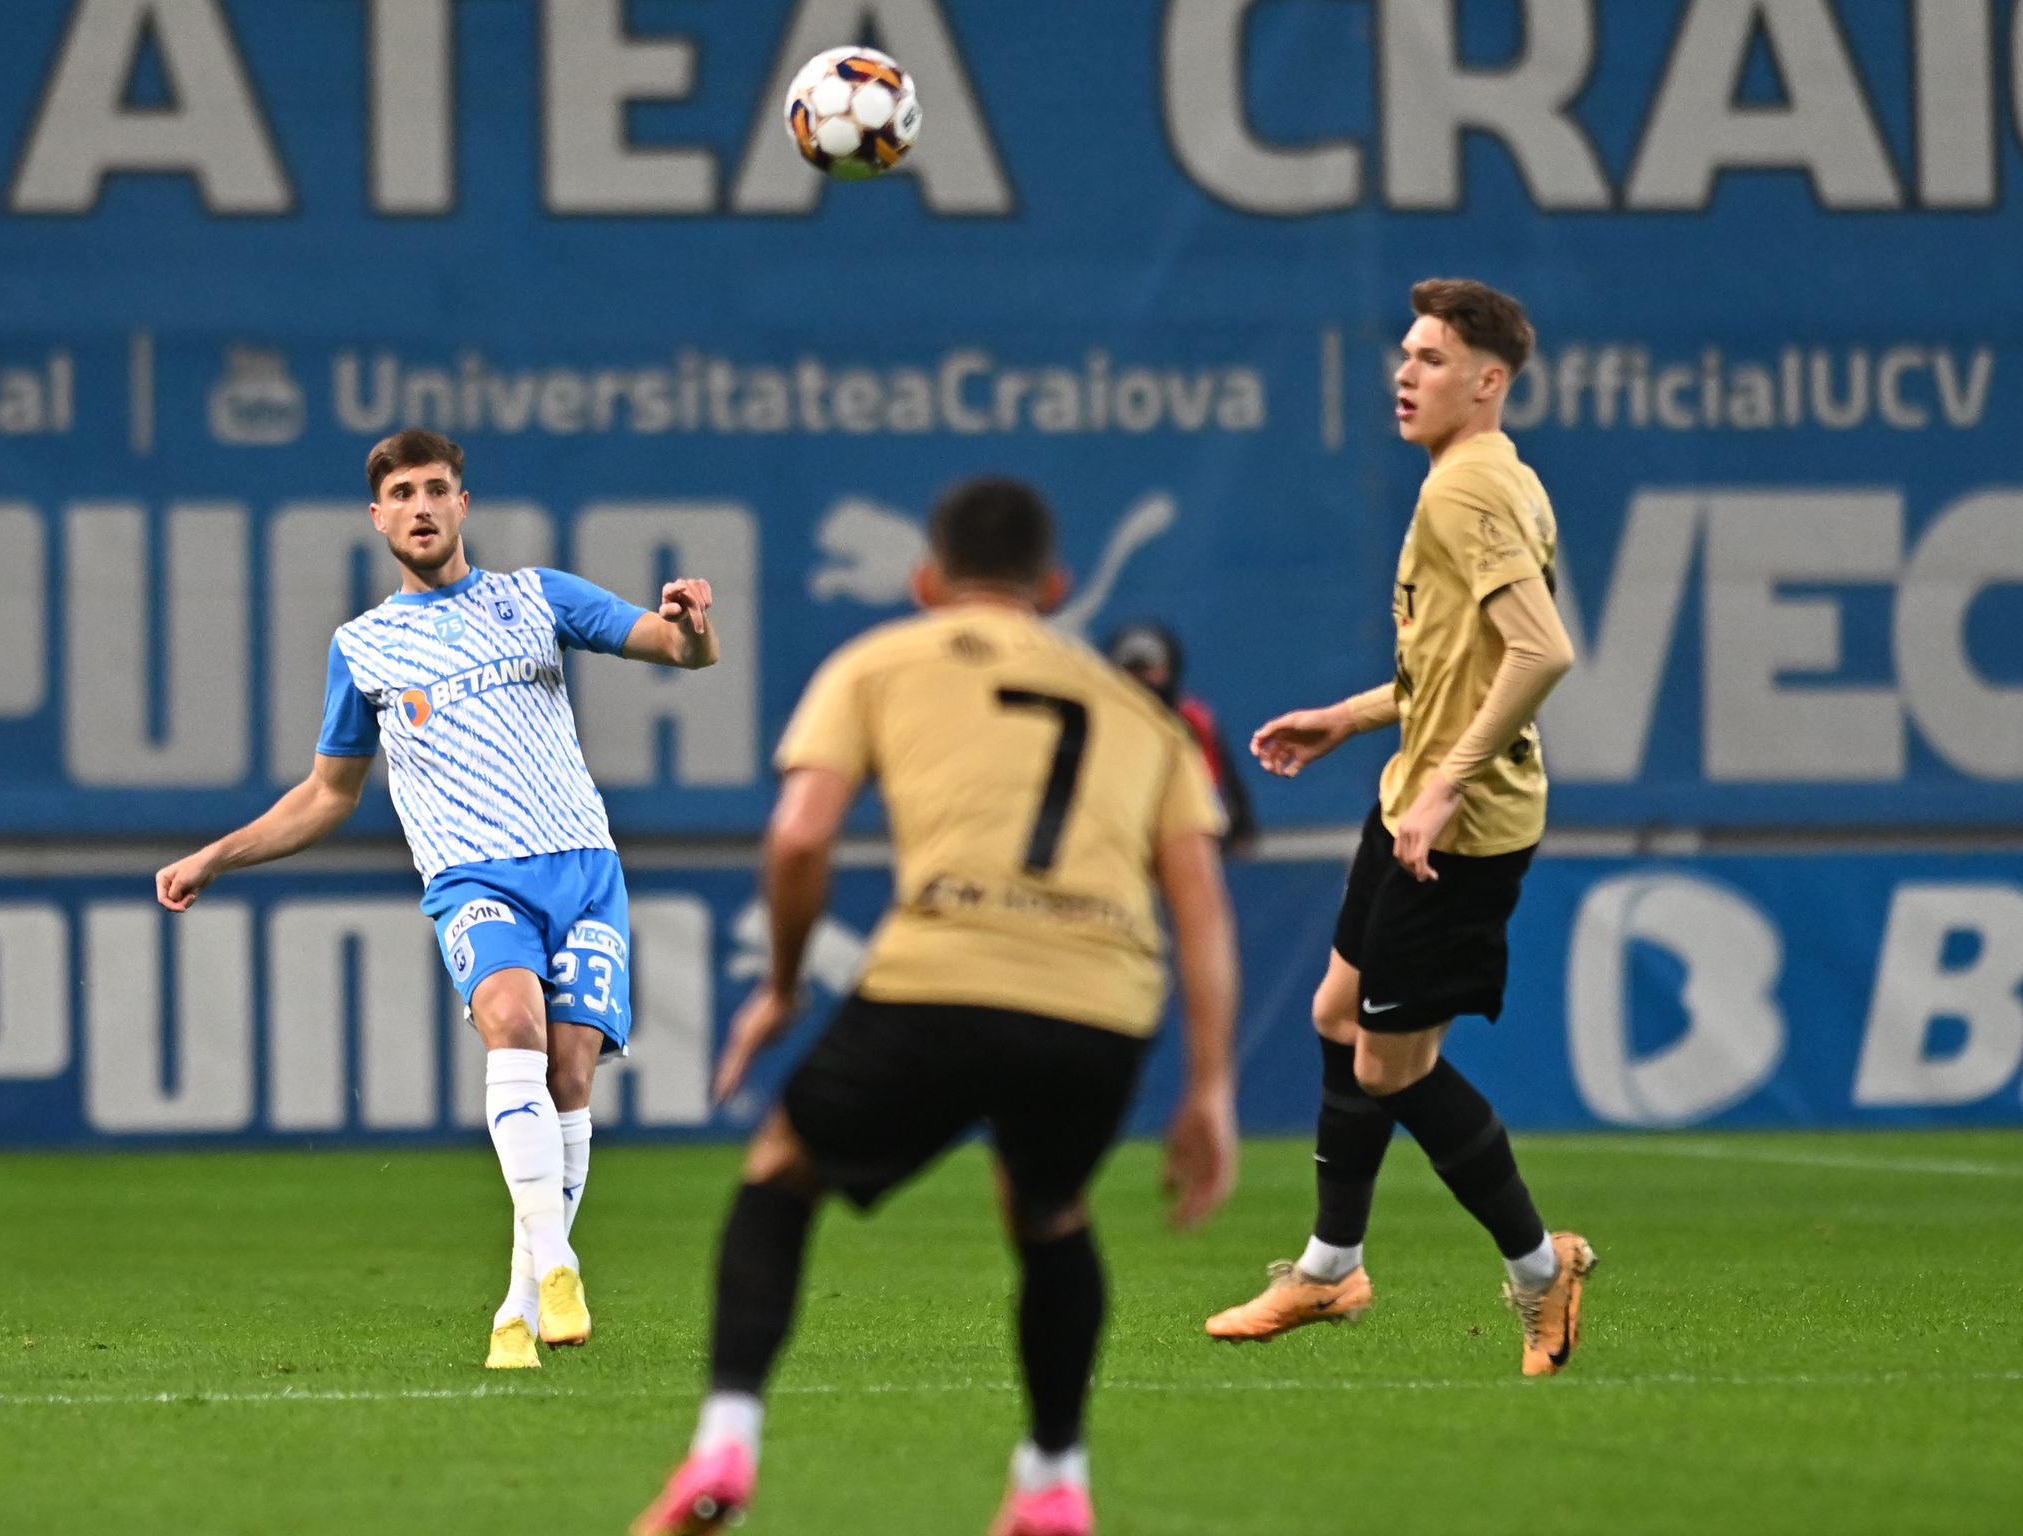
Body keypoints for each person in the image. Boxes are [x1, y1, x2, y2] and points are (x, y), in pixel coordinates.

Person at [633, 476, 1239, 1536]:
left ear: (924, 580)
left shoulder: (877, 662)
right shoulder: (1142, 713)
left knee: (782, 1167)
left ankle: (723, 1442)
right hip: (1099, 1004)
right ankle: (1053, 1479)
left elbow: (799, 837)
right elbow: (1202, 913)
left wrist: (779, 991)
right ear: (1052, 588)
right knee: (1048, 1209)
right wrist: (1211, 1088)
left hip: (940, 981)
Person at [154, 428, 719, 1371]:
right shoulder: (364, 647)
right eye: (402, 493)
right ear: (376, 518)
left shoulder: (535, 597)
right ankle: (557, 1258)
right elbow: (329, 794)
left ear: (464, 505)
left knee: (572, 1075)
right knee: (514, 1023)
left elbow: (674, 650)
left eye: (437, 489)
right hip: (474, 876)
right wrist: (217, 855)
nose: (420, 506)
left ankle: (518, 1307)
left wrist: (693, 621)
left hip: (582, 867)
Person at [1202, 279, 1596, 1376]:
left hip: (1455, 829)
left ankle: (1536, 1268)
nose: (1404, 373)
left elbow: (1540, 651)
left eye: (1430, 358)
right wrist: (1354, 716)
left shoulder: (1464, 495)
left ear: (1487, 381)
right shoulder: (1496, 475)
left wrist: (1442, 788)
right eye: (1406, 354)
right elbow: (1453, 662)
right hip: (1410, 801)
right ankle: (1329, 1269)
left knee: (1385, 1065)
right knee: (1337, 1013)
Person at [1106, 621, 1259, 855]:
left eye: (1147, 669)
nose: (1140, 680)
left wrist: (1239, 830)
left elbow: (1227, 789)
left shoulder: (1194, 721)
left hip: (1192, 845)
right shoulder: (1102, 725)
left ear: (1169, 669)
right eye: (1131, 670)